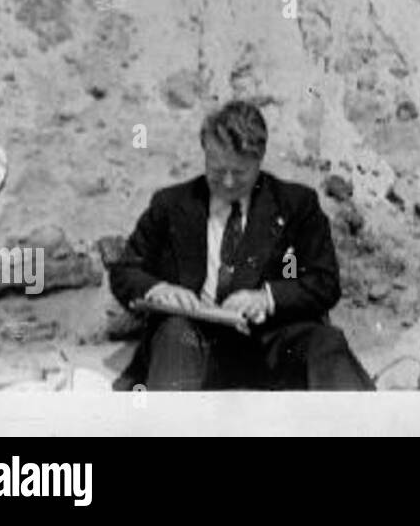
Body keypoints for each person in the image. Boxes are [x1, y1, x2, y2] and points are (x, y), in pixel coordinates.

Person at [109, 100, 373, 390]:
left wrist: (267, 298)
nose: (229, 182)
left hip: (271, 341)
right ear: (205, 154)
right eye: (217, 170)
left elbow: (324, 282)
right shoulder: (172, 205)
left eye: (241, 172)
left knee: (326, 342)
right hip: (191, 340)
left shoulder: (296, 205)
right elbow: (125, 270)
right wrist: (159, 289)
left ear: (259, 160)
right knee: (174, 334)